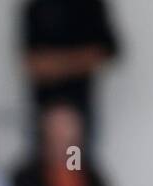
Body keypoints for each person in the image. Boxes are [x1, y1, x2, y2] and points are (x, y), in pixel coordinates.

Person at [20, 0, 120, 143]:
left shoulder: (91, 6)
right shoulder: (36, 7)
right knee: (45, 162)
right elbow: (33, 64)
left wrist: (54, 64)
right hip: (43, 110)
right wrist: (81, 60)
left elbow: (106, 53)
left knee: (74, 161)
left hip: (79, 109)